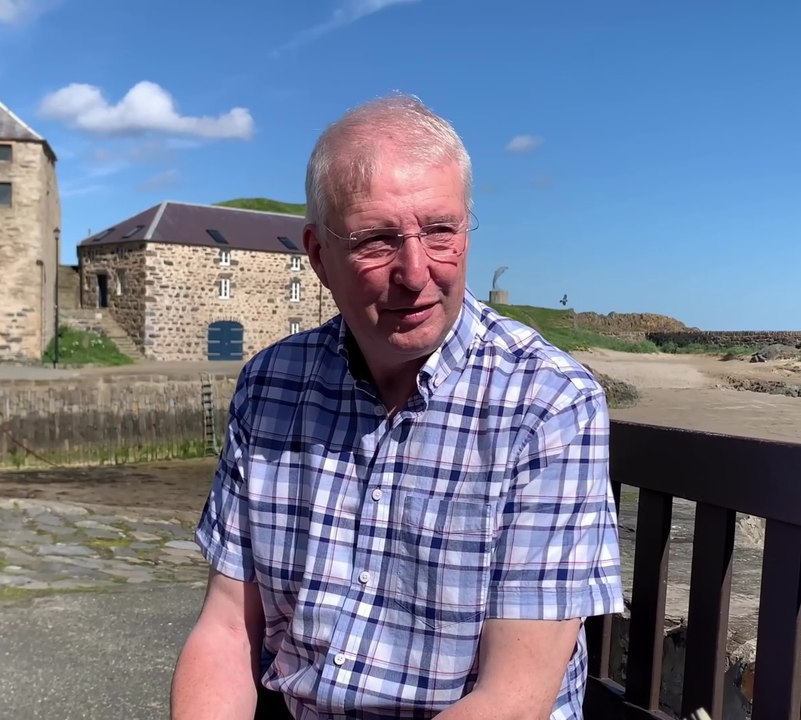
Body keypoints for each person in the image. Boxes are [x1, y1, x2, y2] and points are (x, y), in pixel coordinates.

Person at [170, 93, 624, 720]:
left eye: (440, 231)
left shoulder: (548, 404)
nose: (415, 273)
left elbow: (514, 698)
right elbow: (226, 632)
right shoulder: (270, 386)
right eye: (377, 240)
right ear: (319, 257)